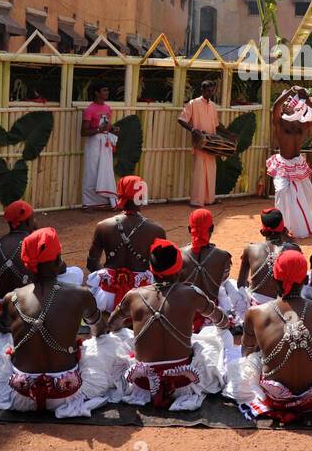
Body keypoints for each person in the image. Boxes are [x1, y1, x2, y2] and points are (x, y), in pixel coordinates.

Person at [0, 228, 119, 418]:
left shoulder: (12, 297)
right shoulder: (80, 294)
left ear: (27, 264)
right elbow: (99, 330)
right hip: (67, 393)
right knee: (112, 341)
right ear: (59, 260)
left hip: (21, 395)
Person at [225, 250, 312, 422]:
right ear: (305, 280)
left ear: (274, 279)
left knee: (240, 363)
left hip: (274, 398)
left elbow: (247, 353)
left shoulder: (256, 312)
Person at [109, 239, 228, 411]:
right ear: (179, 268)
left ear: (151, 268)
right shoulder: (191, 293)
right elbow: (220, 319)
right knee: (214, 336)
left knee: (119, 337)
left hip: (142, 386)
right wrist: (223, 327)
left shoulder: (133, 296)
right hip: (184, 383)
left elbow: (112, 324)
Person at [85, 175, 162, 315]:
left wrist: (114, 279)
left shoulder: (103, 226)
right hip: (143, 297)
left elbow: (91, 263)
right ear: (141, 196)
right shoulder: (157, 229)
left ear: (120, 193)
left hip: (106, 297)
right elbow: (161, 270)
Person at [266, 86, 312, 238]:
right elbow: (275, 106)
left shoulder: (302, 124)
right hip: (283, 164)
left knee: (308, 194)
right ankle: (281, 227)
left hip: (297, 163)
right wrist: (290, 91)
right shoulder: (279, 122)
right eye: (286, 102)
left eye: (290, 102)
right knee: (281, 193)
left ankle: (298, 225)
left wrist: (309, 102)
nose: (287, 104)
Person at [180, 208, 239, 331]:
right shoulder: (223, 256)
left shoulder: (179, 254)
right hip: (212, 312)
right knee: (231, 285)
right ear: (212, 228)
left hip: (185, 312)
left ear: (189, 229)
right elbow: (223, 278)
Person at [236, 208, 303, 315]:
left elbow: (240, 284)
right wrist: (290, 240)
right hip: (287, 307)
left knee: (230, 284)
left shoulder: (250, 249)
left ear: (262, 231)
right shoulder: (295, 249)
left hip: (259, 308)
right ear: (284, 229)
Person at [178, 78, 221, 207]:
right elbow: (181, 119)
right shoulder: (193, 103)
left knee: (211, 172)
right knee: (200, 173)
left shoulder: (213, 106)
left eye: (212, 91)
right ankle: (197, 201)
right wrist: (192, 129)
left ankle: (209, 200)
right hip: (200, 143)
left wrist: (229, 134)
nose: (210, 93)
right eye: (208, 90)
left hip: (211, 144)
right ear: (202, 90)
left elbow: (217, 125)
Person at [81, 82, 119, 208]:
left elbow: (107, 126)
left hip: (105, 143)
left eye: (107, 90)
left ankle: (107, 202)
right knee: (91, 172)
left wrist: (113, 129)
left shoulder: (108, 108)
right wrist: (99, 130)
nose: (107, 92)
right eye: (104, 90)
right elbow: (84, 132)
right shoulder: (90, 109)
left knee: (106, 172)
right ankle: (87, 204)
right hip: (94, 143)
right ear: (97, 93)